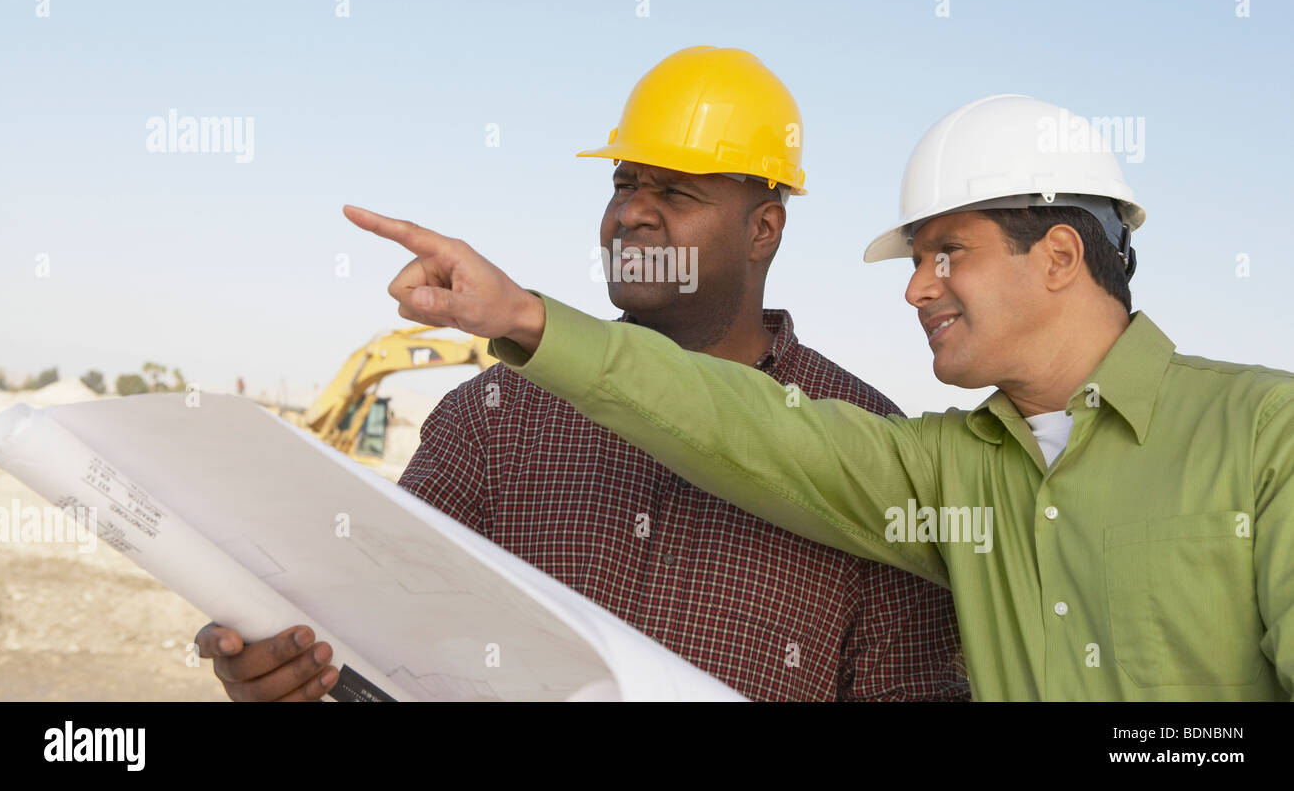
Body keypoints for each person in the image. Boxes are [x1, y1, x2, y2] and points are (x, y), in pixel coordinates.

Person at [344, 92, 1294, 700]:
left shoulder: (1264, 433)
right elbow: (738, 422)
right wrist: (523, 316)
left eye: (946, 254)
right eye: (916, 258)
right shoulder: (942, 470)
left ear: (1057, 256)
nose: (916, 289)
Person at [200, 47, 966, 701]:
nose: (632, 213)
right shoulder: (495, 415)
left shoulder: (869, 454)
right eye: (624, 184)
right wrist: (295, 670)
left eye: (675, 191)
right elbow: (376, 637)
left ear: (763, 229)